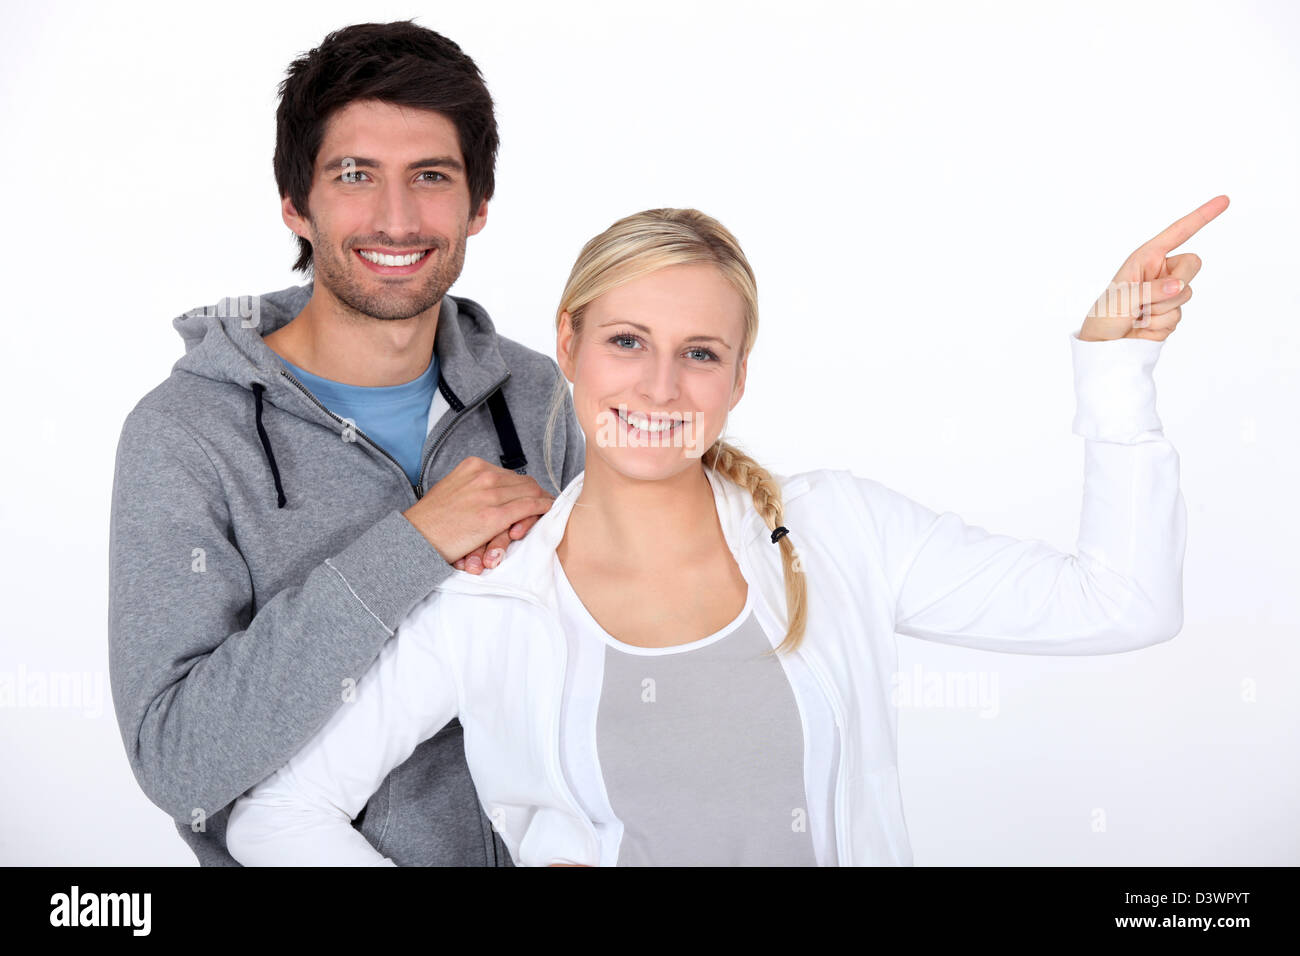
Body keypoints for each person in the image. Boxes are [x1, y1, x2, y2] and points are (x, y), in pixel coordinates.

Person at [226, 198, 1227, 866]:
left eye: (699, 352)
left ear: (738, 377)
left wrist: (1113, 371)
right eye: (627, 341)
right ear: (567, 343)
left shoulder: (837, 531)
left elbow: (1122, 604)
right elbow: (277, 813)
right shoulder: (491, 596)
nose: (660, 386)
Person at [107, 21, 582, 867]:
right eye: (355, 175)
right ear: (297, 203)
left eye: (430, 177)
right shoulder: (184, 435)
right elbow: (179, 762)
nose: (396, 219)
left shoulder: (535, 395)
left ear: (478, 205)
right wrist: (411, 546)